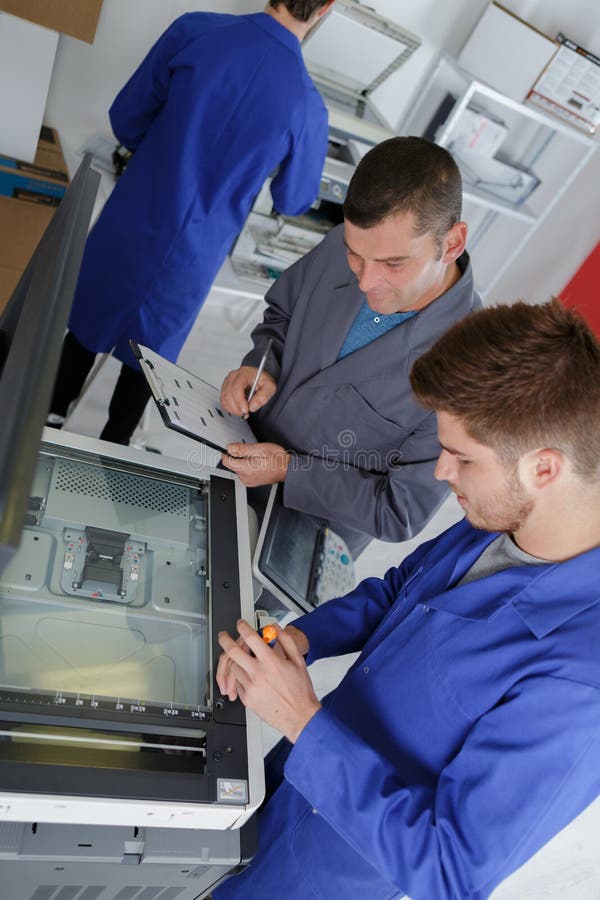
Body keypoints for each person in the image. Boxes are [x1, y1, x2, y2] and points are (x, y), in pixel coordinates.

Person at [214, 299, 600, 899]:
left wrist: (301, 719)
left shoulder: (582, 683)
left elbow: (450, 871)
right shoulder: (499, 514)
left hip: (326, 868)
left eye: (463, 457)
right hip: (286, 786)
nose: (442, 472)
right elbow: (399, 592)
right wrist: (305, 638)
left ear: (544, 469)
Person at [48, 0, 334, 445]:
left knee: (84, 331)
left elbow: (126, 120)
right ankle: (109, 454)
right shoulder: (307, 106)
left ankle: (40, 422)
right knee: (147, 365)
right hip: (192, 255)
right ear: (327, 7)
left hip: (133, 219)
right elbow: (293, 199)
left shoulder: (197, 30)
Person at [220, 136, 482, 557]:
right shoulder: (346, 242)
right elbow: (281, 315)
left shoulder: (470, 372)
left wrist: (290, 470)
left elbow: (399, 512)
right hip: (229, 470)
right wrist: (260, 365)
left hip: (292, 549)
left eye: (394, 264)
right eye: (355, 256)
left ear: (451, 244)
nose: (365, 282)